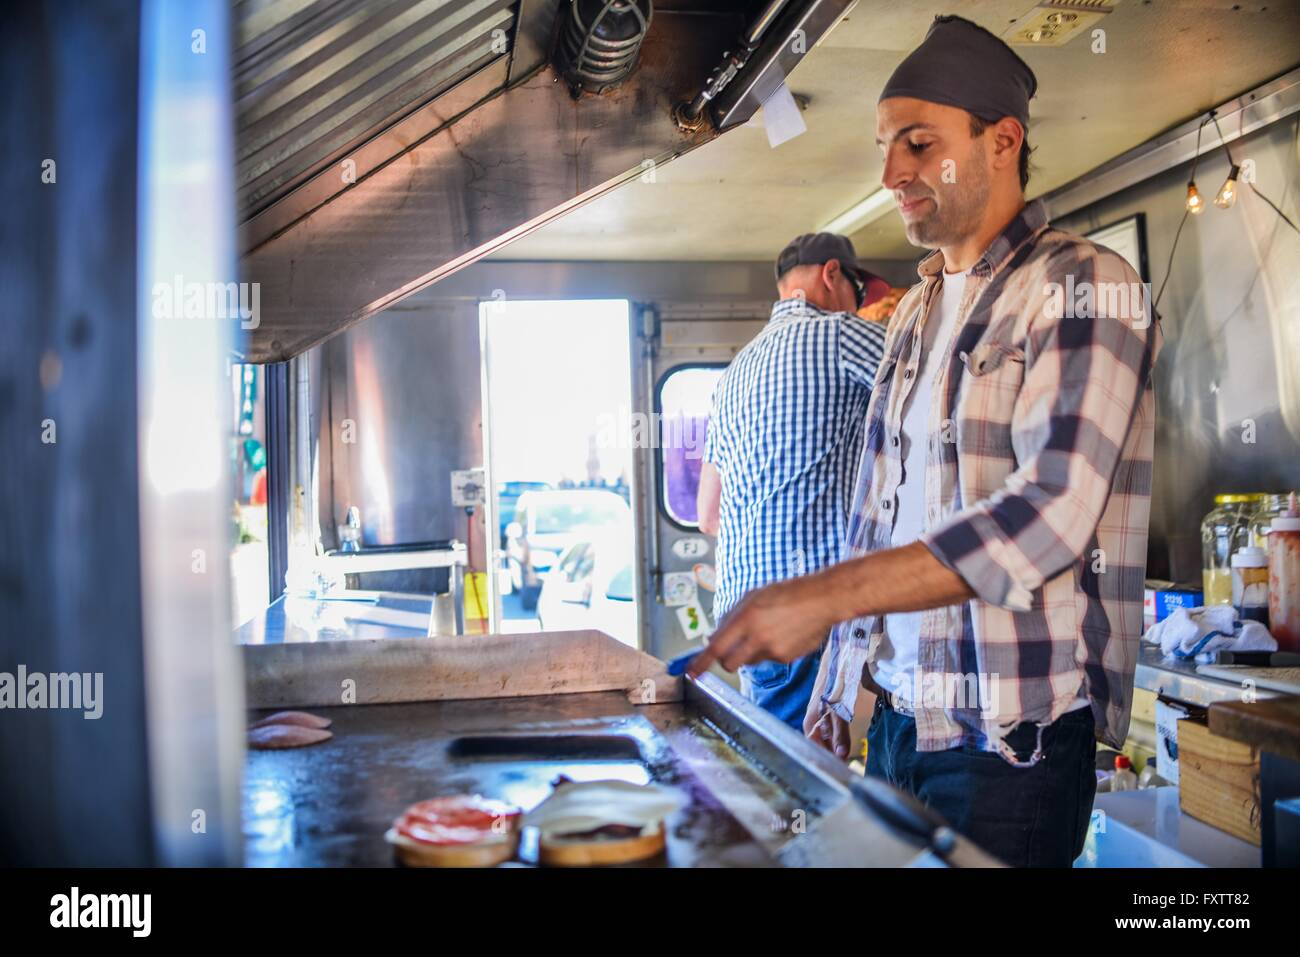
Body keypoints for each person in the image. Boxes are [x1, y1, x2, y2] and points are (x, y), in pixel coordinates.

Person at [688, 14, 1161, 867]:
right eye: (884, 146)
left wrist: (824, 597)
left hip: (1011, 742)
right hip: (897, 727)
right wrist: (839, 686)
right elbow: (880, 512)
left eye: (917, 143)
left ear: (1002, 141)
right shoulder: (909, 314)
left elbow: (1048, 515)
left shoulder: (1087, 284)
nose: (890, 172)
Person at [696, 234, 888, 730]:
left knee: (771, 764)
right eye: (857, 292)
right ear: (831, 275)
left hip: (742, 619)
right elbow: (934, 378)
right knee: (798, 786)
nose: (858, 304)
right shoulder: (842, 335)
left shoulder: (734, 372)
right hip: (801, 614)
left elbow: (708, 516)